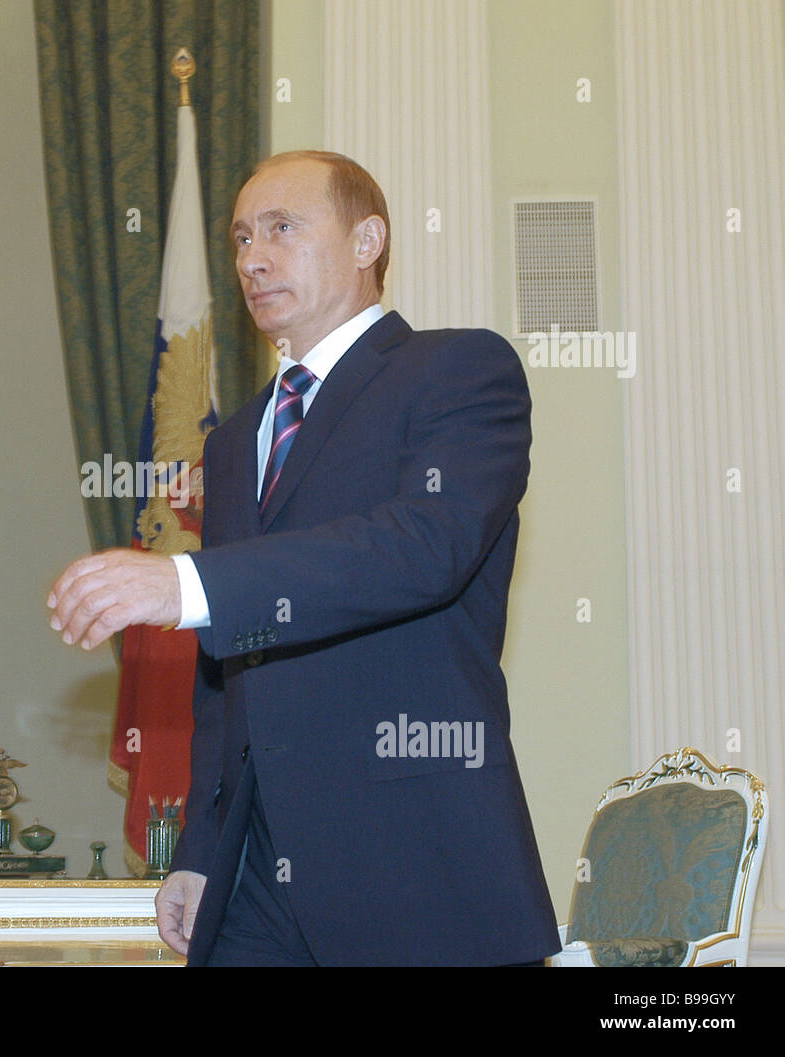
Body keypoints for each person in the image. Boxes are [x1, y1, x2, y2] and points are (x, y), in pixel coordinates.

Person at [48, 150, 559, 966]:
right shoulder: (234, 441)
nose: (253, 258)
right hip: (254, 881)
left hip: (415, 863)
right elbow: (230, 672)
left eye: (283, 228)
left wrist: (187, 580)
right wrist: (201, 851)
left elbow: (426, 548)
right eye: (243, 237)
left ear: (368, 241)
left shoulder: (458, 369)